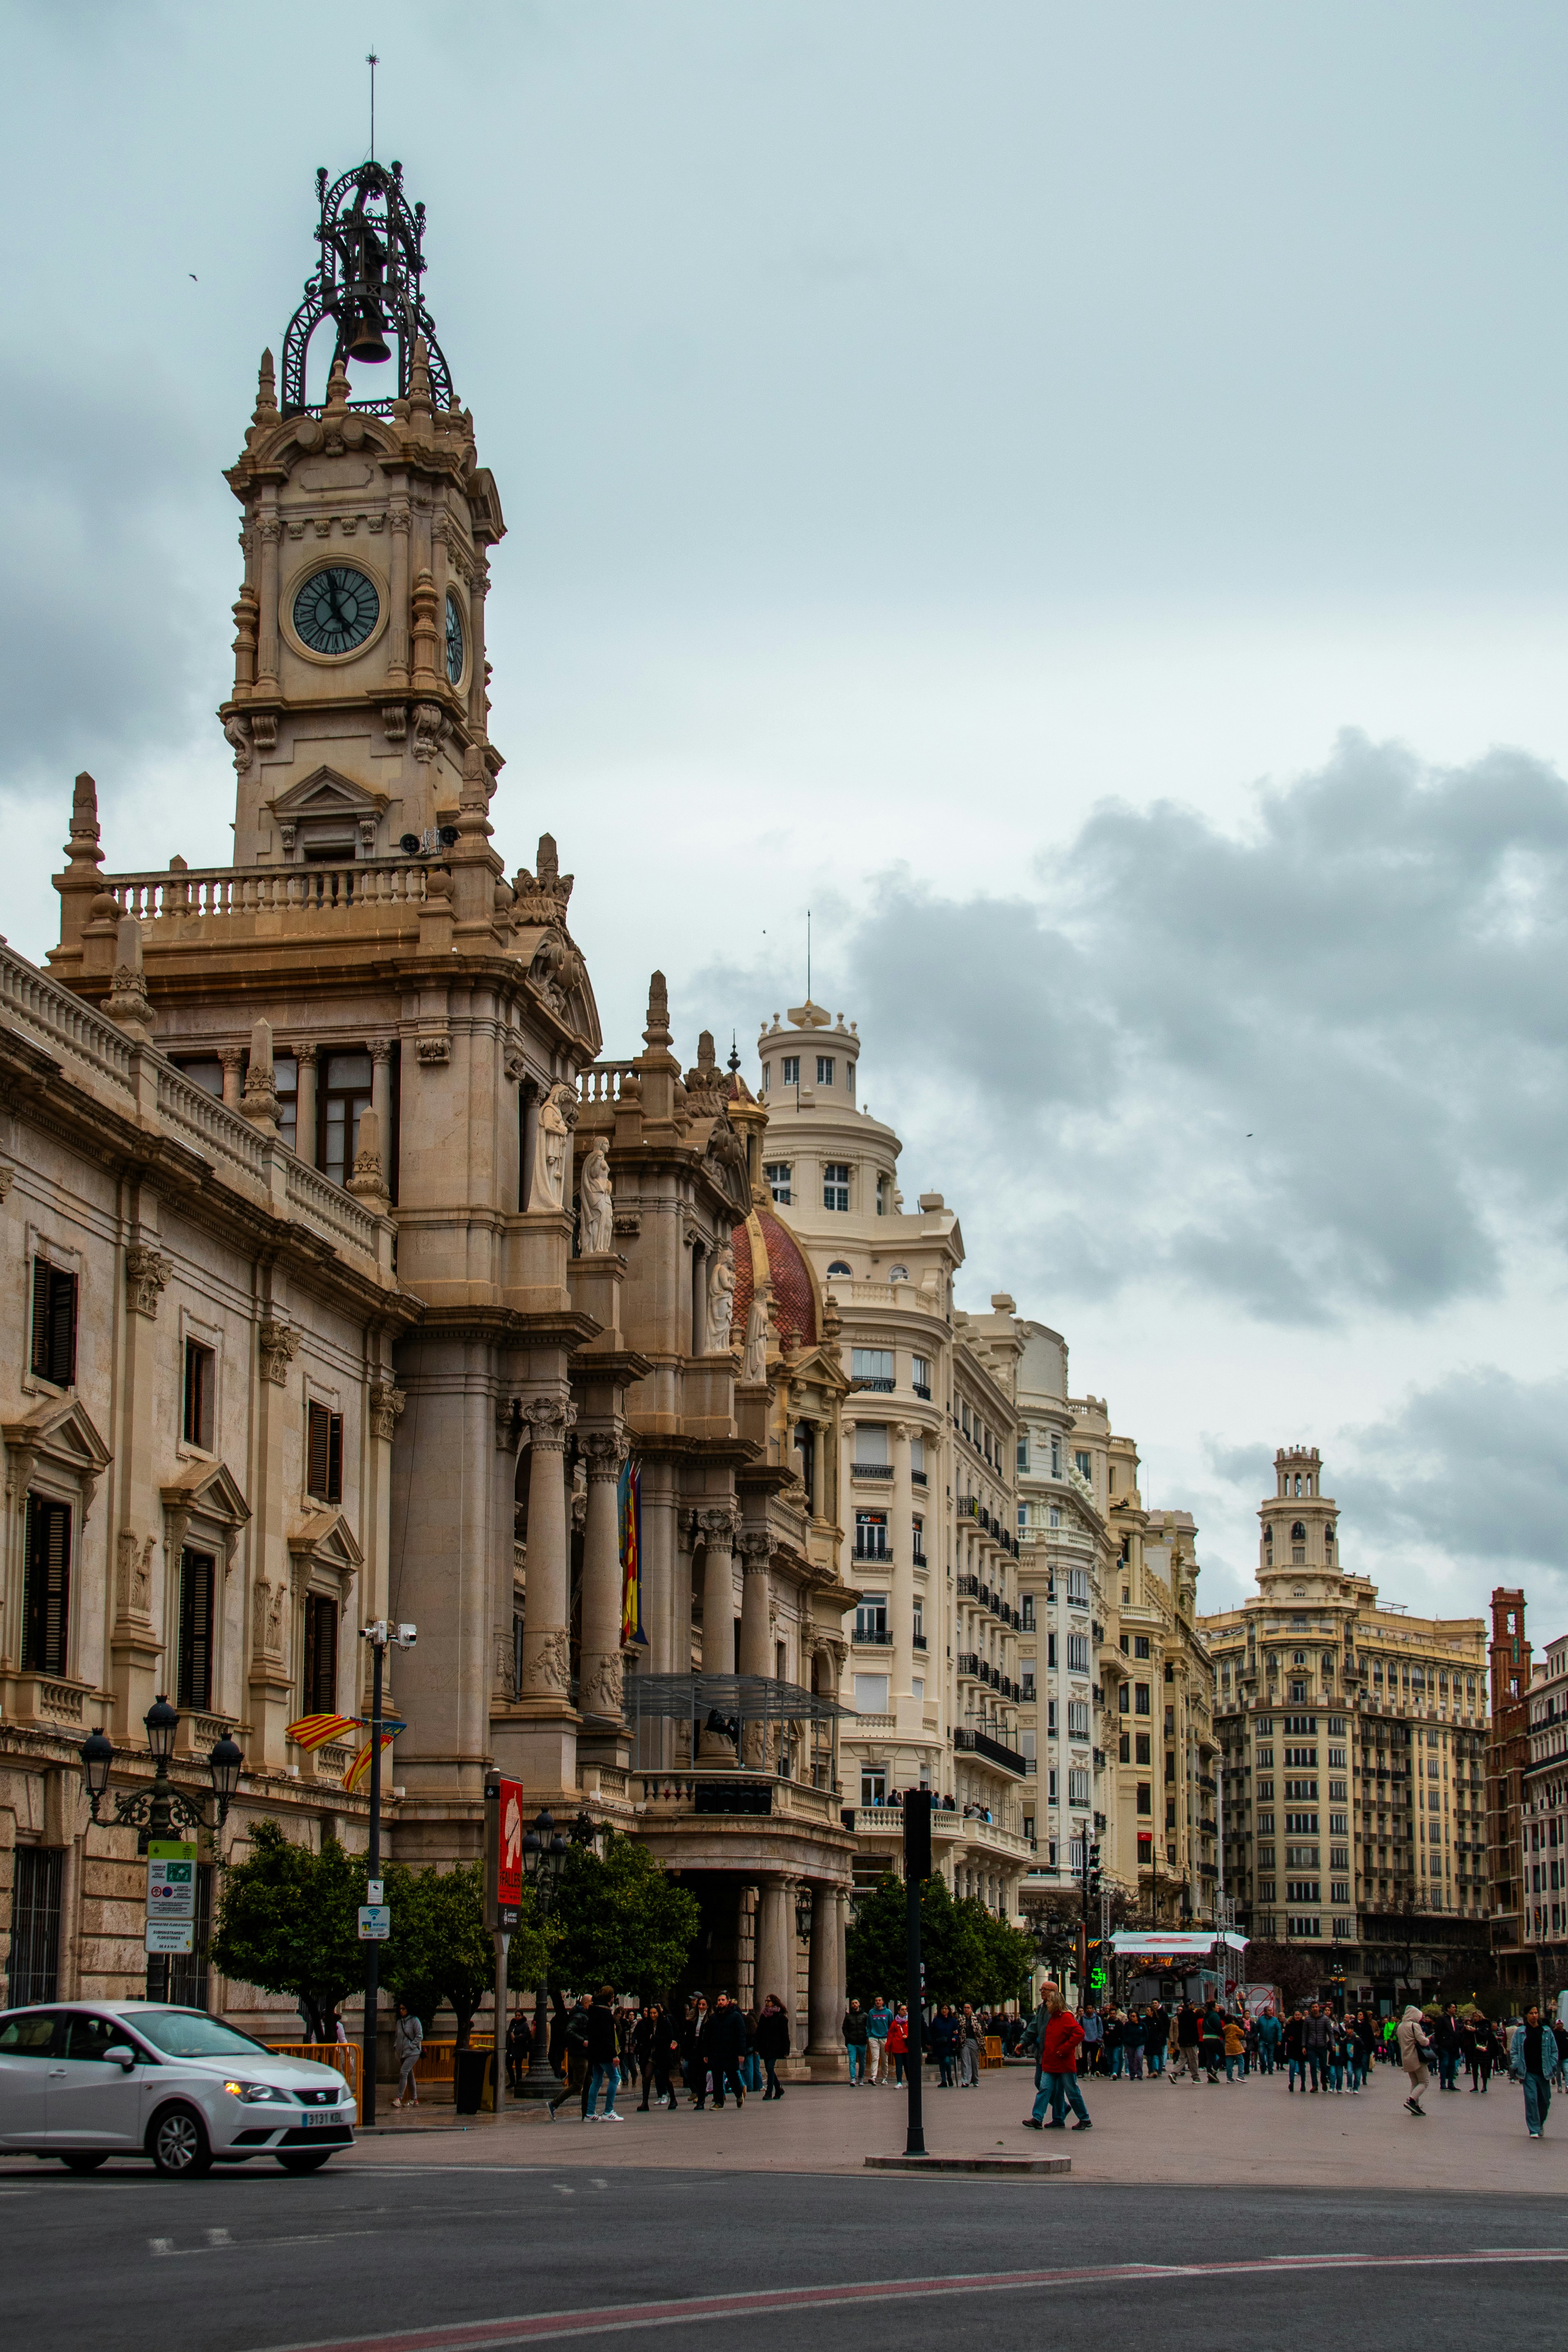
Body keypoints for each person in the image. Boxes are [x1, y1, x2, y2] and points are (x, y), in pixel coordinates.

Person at [1022, 1987, 1091, 2132]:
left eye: (1049, 2002)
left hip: (1064, 2062)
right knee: (1044, 2089)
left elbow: (1079, 2034)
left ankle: (1084, 2118)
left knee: (1072, 2092)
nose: (1047, 2004)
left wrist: (1065, 2049)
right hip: (1050, 2062)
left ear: (1056, 2003)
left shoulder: (1066, 2017)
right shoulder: (1052, 2017)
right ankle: (1037, 2118)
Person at [1510, 2003, 1554, 2139]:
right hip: (1528, 2072)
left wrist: (1552, 2065)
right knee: (1531, 2099)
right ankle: (1534, 2128)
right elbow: (1514, 2051)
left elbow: (1554, 2050)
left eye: (1536, 2013)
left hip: (1544, 2072)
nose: (1535, 2016)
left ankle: (1540, 2123)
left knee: (1545, 2101)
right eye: (1532, 2013)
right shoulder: (1521, 2032)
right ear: (1526, 2016)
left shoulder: (1546, 2031)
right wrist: (1517, 2065)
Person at [547, 1995, 591, 2120]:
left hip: (583, 2054)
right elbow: (569, 2031)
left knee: (588, 2082)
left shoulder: (584, 2015)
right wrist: (583, 2041)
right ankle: (553, 2104)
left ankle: (586, 2113)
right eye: (592, 2003)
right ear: (586, 2004)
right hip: (579, 2056)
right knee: (578, 2085)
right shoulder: (579, 2016)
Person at [583, 1984, 622, 2122]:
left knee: (597, 2081)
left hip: (595, 2052)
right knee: (615, 2078)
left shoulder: (593, 2011)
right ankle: (608, 2111)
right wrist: (614, 2054)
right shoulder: (605, 2012)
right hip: (605, 2052)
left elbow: (590, 2031)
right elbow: (607, 2036)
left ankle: (590, 2113)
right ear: (611, 1998)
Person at [706, 1991, 748, 2108]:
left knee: (732, 2076)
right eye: (719, 2000)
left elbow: (741, 2035)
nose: (720, 2002)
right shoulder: (714, 2018)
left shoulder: (735, 2016)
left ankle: (739, 2093)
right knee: (717, 2077)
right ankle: (719, 2102)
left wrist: (741, 2053)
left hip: (730, 2053)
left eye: (723, 2000)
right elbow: (708, 2037)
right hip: (716, 2053)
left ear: (728, 2002)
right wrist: (706, 2053)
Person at [1397, 2003, 1432, 2117]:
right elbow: (1424, 2042)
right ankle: (1411, 2100)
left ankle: (1415, 2106)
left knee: (1415, 2082)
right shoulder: (1414, 2026)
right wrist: (1427, 2038)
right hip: (1417, 2057)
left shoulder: (1401, 2026)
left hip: (1406, 2057)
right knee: (1424, 2082)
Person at [754, 1993, 791, 2099]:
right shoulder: (764, 2016)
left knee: (770, 2068)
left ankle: (769, 2092)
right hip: (765, 2047)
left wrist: (786, 2050)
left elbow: (785, 2035)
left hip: (775, 2047)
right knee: (769, 2069)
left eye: (768, 2001)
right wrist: (756, 2047)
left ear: (774, 2003)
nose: (766, 2003)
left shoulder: (781, 2017)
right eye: (766, 2001)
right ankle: (779, 2088)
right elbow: (759, 2032)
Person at [392, 2002, 423, 2110]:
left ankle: (399, 2098)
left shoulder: (415, 2021)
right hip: (402, 2053)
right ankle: (415, 2099)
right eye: (400, 2009)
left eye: (404, 2009)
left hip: (413, 2052)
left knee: (403, 2072)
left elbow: (420, 2036)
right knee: (410, 2075)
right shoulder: (399, 2022)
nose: (401, 2011)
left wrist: (411, 2046)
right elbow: (397, 2036)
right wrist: (396, 2046)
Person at [682, 1996, 711, 2109]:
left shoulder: (711, 2019)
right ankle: (697, 2091)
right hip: (693, 2050)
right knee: (691, 2073)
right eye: (700, 2004)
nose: (701, 2007)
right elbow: (687, 2036)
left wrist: (708, 2053)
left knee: (702, 2076)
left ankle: (701, 2101)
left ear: (708, 2006)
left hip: (703, 2051)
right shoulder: (693, 2017)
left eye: (704, 2005)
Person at [506, 2005, 534, 2097]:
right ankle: (513, 2081)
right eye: (516, 2015)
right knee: (509, 2064)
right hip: (511, 2048)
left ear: (522, 2016)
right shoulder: (513, 2024)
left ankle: (518, 2082)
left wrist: (517, 2038)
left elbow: (527, 2035)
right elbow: (509, 2034)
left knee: (518, 2066)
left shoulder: (524, 2025)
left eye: (519, 2015)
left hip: (519, 2049)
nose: (517, 2017)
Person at [1434, 2003, 1462, 2094]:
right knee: (1445, 2064)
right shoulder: (1442, 2019)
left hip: (1454, 2046)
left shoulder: (1455, 2019)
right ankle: (1443, 2084)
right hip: (1445, 2045)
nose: (1455, 2009)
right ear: (1448, 2009)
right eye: (1453, 2008)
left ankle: (1451, 2083)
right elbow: (1437, 2033)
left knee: (1452, 2065)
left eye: (1455, 2007)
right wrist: (1439, 2044)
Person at [930, 2003, 960, 2088]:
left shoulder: (952, 2020)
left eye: (946, 2009)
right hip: (939, 2044)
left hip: (949, 2044)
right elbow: (932, 2031)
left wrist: (955, 2037)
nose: (944, 2010)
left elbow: (957, 2031)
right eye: (943, 2009)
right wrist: (933, 2041)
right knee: (941, 2062)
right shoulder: (937, 2020)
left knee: (947, 2061)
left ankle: (949, 2077)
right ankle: (943, 2080)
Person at [1304, 2004, 1331, 2094]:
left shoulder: (1325, 2019)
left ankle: (1323, 2080)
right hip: (1311, 2045)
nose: (1315, 2009)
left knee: (1323, 2067)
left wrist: (1333, 2044)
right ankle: (1315, 2085)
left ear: (1319, 2008)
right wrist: (1304, 2046)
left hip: (1322, 2045)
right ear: (1311, 2009)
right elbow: (1305, 2033)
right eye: (1313, 2007)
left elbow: (1330, 2032)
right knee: (1313, 2066)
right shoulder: (1308, 2019)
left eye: (1316, 2007)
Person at [1174, 1998, 1202, 2083]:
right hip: (1191, 2041)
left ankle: (1174, 2073)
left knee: (1182, 2058)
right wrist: (1196, 2039)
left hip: (1182, 2040)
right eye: (1193, 2004)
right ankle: (1196, 2077)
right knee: (1193, 2059)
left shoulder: (1181, 2015)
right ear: (1189, 2005)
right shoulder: (1191, 2015)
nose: (1194, 2005)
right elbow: (1194, 2028)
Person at [866, 1995, 892, 2085]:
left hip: (885, 2038)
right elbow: (868, 2025)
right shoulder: (871, 2012)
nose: (878, 2002)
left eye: (879, 2000)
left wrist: (890, 2038)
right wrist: (869, 2036)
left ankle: (885, 2078)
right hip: (874, 2038)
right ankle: (874, 2077)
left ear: (883, 2002)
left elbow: (891, 2025)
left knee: (885, 2059)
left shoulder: (888, 2012)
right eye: (876, 2001)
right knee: (875, 2057)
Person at [843, 1998, 870, 2084]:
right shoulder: (848, 2017)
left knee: (862, 2062)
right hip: (852, 2043)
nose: (854, 2005)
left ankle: (861, 2078)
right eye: (853, 2003)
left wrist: (866, 2037)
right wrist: (848, 2037)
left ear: (859, 2004)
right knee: (852, 2061)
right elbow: (844, 2028)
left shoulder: (865, 2016)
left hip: (862, 2042)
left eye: (856, 2003)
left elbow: (869, 2027)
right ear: (851, 2006)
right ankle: (853, 2079)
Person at [1198, 2000, 1224, 2085]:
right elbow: (1218, 2027)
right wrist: (1224, 2036)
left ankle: (1210, 2077)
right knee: (1223, 2055)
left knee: (1210, 2058)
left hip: (1206, 2038)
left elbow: (1203, 2027)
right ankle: (1213, 2072)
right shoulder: (1215, 2015)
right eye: (1217, 2006)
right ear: (1213, 2008)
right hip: (1214, 2038)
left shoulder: (1206, 2016)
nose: (1218, 2008)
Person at [958, 2005, 983, 2089]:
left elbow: (982, 2030)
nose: (966, 2009)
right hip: (964, 2041)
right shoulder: (961, 2019)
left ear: (971, 2009)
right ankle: (965, 2081)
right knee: (965, 2061)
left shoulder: (977, 2018)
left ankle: (975, 2080)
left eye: (968, 2008)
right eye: (965, 2008)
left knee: (974, 2061)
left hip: (974, 2041)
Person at [1284, 2007, 1307, 2093]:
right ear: (1293, 2016)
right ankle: (1292, 2083)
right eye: (1296, 2015)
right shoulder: (1289, 2024)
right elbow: (1285, 2036)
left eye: (1299, 2015)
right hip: (1291, 2048)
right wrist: (1288, 2039)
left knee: (1302, 2068)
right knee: (1292, 2066)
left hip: (1301, 2048)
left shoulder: (1304, 2024)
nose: (1298, 2016)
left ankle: (1303, 2084)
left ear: (1301, 2016)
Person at [888, 2002, 911, 2086]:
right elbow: (890, 2035)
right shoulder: (895, 2023)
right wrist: (888, 2047)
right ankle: (899, 2082)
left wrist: (907, 2036)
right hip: (897, 2047)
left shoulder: (910, 2021)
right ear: (898, 2011)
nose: (905, 2011)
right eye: (902, 2010)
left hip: (907, 2047)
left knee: (908, 2065)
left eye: (906, 2009)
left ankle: (910, 2081)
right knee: (899, 2065)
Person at [1144, 2000, 1168, 2078]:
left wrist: (1159, 2037)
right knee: (1149, 2058)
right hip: (1148, 2042)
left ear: (1152, 2012)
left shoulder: (1158, 2021)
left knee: (1156, 2056)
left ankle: (1156, 2070)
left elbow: (1162, 2030)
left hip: (1156, 2042)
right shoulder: (1145, 2021)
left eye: (1148, 2011)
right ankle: (1150, 2071)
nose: (1147, 2012)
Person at [1257, 2007, 1282, 2077]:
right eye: (1269, 2011)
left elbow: (1279, 2031)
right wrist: (1256, 2036)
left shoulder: (1275, 2020)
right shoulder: (1261, 2020)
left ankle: (1270, 2069)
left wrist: (1279, 2040)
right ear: (1265, 2012)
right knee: (1261, 2054)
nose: (1271, 2012)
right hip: (1262, 2040)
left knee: (1270, 2056)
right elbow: (1257, 2029)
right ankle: (1263, 2067)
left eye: (1271, 2010)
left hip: (1272, 2041)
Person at [1222, 2011, 1246, 2083]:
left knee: (1229, 2063)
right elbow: (1242, 2033)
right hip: (1236, 2046)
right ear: (1233, 2021)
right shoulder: (1234, 2027)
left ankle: (1229, 2078)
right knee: (1241, 2061)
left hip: (1228, 2047)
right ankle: (1240, 2076)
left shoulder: (1224, 2029)